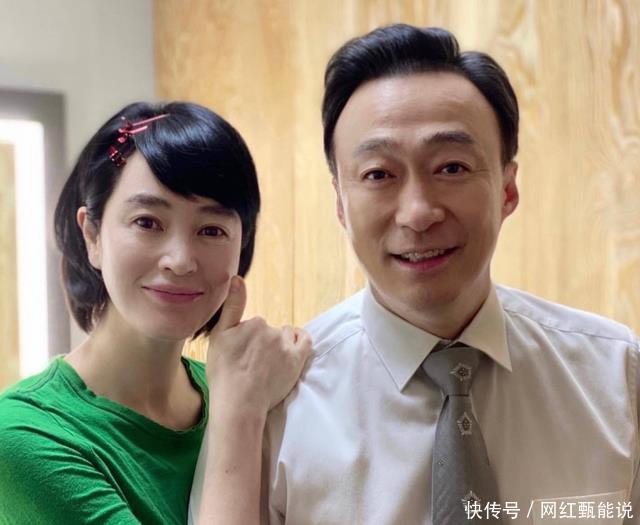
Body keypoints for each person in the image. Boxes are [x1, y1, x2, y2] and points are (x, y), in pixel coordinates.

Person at [191, 24, 640, 524]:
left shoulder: (616, 375)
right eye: (379, 175)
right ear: (340, 204)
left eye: (451, 168)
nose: (418, 213)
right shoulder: (274, 406)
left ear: (507, 189)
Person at [0, 101, 310, 525]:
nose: (180, 260)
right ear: (92, 236)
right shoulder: (24, 435)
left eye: (212, 230)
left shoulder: (248, 389)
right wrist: (238, 414)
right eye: (147, 222)